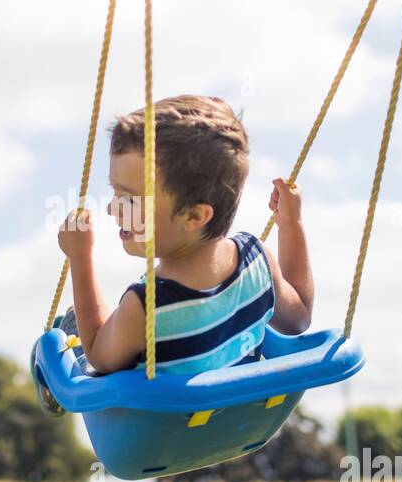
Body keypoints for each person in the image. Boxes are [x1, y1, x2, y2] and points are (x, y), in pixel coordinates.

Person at [55, 94, 314, 377]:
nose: (110, 208)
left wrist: (80, 257)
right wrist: (291, 224)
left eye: (128, 199)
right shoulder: (257, 261)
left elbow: (98, 355)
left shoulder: (145, 307)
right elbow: (298, 318)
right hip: (242, 417)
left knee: (66, 341)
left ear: (194, 216)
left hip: (157, 421)